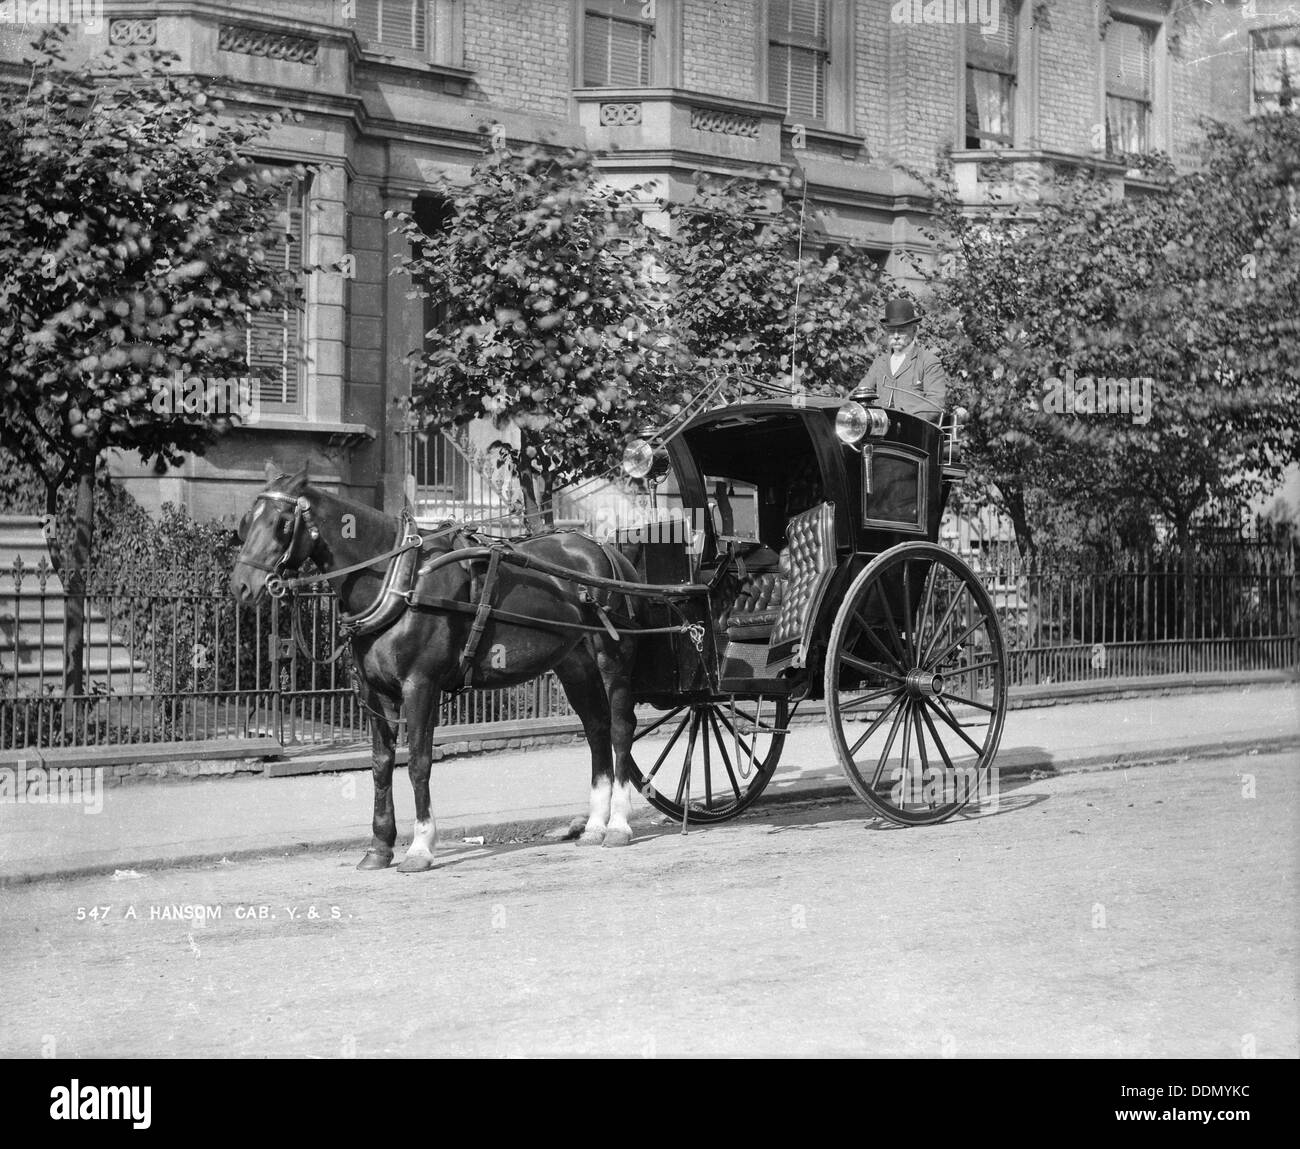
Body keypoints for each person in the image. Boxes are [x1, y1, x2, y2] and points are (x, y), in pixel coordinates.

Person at [851, 298, 948, 422]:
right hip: (879, 430)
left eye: (901, 330)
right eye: (892, 331)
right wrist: (837, 409)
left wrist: (907, 420)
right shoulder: (880, 362)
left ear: (914, 330)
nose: (896, 336)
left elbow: (936, 402)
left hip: (912, 433)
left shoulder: (928, 362)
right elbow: (859, 393)